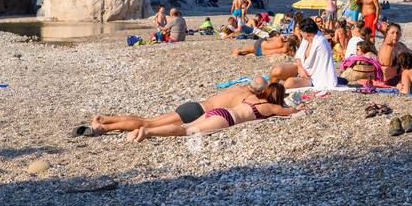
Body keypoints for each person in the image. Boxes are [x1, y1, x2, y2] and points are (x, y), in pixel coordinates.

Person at [131, 76, 305, 141]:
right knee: (186, 131)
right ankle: (148, 132)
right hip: (226, 119)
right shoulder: (271, 107)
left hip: (217, 111)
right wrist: (298, 107)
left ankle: (148, 129)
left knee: (186, 127)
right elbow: (290, 111)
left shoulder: (253, 96)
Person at [85, 78, 282, 136]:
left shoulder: (238, 86)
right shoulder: (247, 97)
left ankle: (106, 119)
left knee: (149, 119)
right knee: (148, 122)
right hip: (198, 113)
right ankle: (104, 126)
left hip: (193, 105)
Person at [277, 17, 339, 95]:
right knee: (277, 70)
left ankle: (275, 94)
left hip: (312, 77)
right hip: (301, 69)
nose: (301, 34)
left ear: (306, 33)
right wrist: (300, 68)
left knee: (289, 83)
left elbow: (321, 69)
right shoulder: (307, 39)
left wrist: (303, 72)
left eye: (301, 32)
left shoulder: (320, 43)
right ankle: (268, 91)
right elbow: (298, 56)